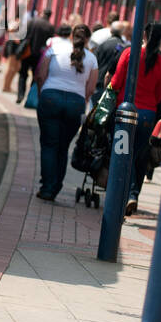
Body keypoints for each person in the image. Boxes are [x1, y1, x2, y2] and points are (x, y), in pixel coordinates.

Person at [109, 21, 161, 215]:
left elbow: (116, 81)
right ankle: (132, 194)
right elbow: (160, 93)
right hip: (147, 116)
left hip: (125, 113)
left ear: (143, 34)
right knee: (136, 156)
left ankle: (127, 194)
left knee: (122, 154)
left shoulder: (130, 53)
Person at [34, 24, 98, 201]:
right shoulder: (92, 58)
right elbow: (91, 88)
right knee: (63, 148)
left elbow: (41, 75)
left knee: (49, 145)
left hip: (50, 98)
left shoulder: (54, 49)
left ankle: (47, 188)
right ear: (87, 39)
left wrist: (43, 94)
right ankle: (55, 187)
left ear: (71, 35)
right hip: (75, 104)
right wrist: (81, 102)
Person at [16, 9, 54, 103]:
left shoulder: (32, 21)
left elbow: (23, 35)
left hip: (27, 52)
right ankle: (30, 96)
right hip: (40, 56)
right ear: (50, 16)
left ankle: (20, 95)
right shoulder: (50, 27)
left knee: (23, 74)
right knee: (35, 76)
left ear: (42, 13)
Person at [91, 20, 131, 105]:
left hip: (98, 84)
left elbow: (94, 63)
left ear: (111, 30)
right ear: (122, 32)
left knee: (93, 114)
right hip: (112, 87)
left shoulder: (102, 45)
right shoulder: (124, 48)